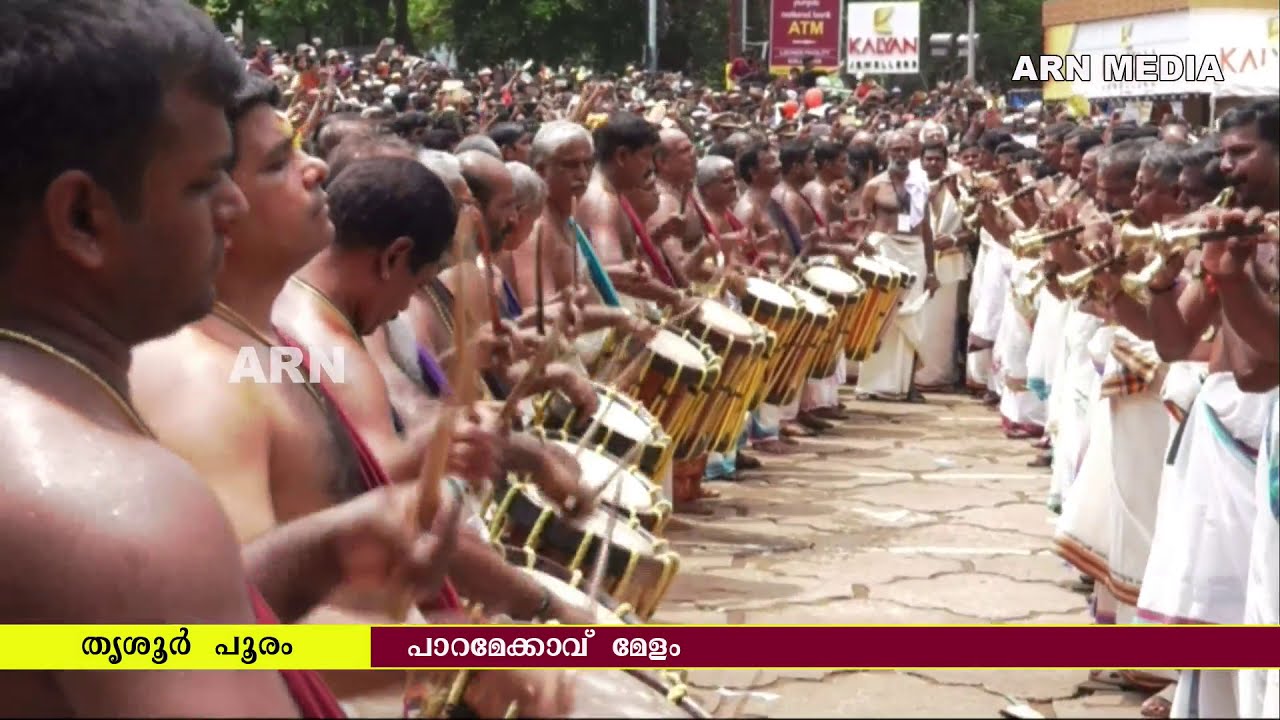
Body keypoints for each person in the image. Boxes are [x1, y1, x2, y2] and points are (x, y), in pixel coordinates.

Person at [0, 1, 451, 716]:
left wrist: (315, 554)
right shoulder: (113, 495)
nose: (232, 207)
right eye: (205, 180)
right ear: (84, 218)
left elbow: (158, 636)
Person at [856, 130, 939, 402]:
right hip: (884, 252)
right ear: (886, 153)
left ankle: (909, 385)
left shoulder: (921, 185)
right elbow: (860, 223)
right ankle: (872, 384)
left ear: (913, 152)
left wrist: (932, 270)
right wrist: (863, 245)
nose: (901, 155)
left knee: (913, 319)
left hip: (913, 252)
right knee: (880, 317)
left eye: (906, 150)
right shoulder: (874, 186)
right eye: (896, 150)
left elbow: (926, 230)